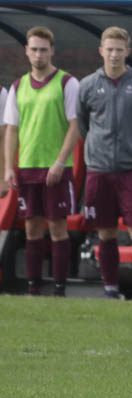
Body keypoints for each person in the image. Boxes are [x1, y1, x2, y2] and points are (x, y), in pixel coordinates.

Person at [77, 26, 132, 300]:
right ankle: (110, 289)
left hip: (131, 170)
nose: (114, 55)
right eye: (109, 49)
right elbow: (84, 125)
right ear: (101, 51)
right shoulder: (87, 85)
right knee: (106, 231)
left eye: (119, 50)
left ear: (127, 52)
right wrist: (98, 151)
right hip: (98, 170)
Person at [1, 27, 80, 296]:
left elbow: (75, 126)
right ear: (26, 51)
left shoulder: (67, 83)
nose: (38, 54)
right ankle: (34, 288)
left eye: (43, 49)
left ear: (52, 51)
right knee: (31, 227)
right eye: (33, 49)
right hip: (27, 168)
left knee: (57, 228)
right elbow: (11, 129)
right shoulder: (18, 86)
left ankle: (59, 288)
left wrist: (60, 162)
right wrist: (10, 167)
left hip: (56, 168)